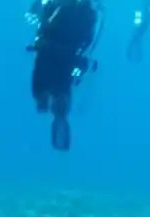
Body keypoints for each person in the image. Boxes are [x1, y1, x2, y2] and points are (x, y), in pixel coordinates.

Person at [26, 0, 101, 151]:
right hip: (70, 51)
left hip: (51, 47)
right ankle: (56, 104)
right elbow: (90, 37)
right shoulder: (87, 10)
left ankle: (47, 99)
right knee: (62, 85)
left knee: (44, 85)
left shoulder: (76, 9)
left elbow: (35, 15)